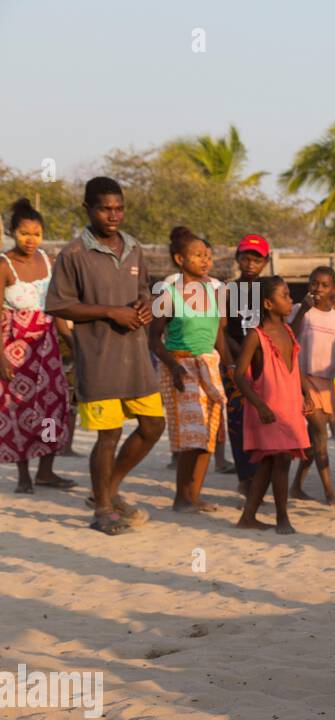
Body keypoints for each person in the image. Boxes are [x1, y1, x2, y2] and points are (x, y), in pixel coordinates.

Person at [44, 177, 162, 535]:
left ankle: (107, 490)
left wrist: (144, 306)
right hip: (98, 357)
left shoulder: (134, 247)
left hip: (135, 354)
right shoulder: (74, 254)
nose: (113, 215)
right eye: (104, 208)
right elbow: (59, 304)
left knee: (153, 425)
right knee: (108, 434)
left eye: (118, 207)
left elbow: (144, 291)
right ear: (88, 209)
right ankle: (104, 510)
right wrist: (111, 312)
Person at [150, 226, 232, 512]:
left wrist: (230, 365)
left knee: (208, 436)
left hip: (209, 366)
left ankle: (194, 495)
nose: (205, 260)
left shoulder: (216, 291)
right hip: (181, 367)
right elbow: (154, 340)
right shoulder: (167, 294)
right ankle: (180, 497)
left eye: (207, 255)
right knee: (190, 436)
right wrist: (173, 367)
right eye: (198, 255)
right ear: (180, 259)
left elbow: (219, 334)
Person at [1, 198, 74, 492]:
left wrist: (72, 341)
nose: (31, 239)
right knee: (18, 409)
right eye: (24, 233)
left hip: (47, 347)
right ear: (12, 232)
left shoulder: (48, 261)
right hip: (15, 350)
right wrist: (1, 358)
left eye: (37, 233)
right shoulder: (4, 265)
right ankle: (23, 475)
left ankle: (47, 471)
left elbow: (55, 309)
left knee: (53, 407)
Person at [233, 276, 309, 534]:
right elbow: (239, 375)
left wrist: (305, 393)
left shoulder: (287, 331)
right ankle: (282, 518)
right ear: (267, 303)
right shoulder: (256, 336)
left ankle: (248, 516)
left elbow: (294, 369)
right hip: (267, 409)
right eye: (285, 296)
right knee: (282, 460)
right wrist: (259, 405)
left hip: (289, 407)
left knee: (269, 463)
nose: (290, 300)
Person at [217, 234, 272, 491]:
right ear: (237, 259)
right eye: (246, 258)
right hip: (237, 365)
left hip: (266, 366)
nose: (250, 263)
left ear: (265, 262)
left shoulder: (270, 291)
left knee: (265, 418)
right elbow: (223, 331)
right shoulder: (229, 291)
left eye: (256, 259)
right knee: (238, 421)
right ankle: (245, 478)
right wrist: (231, 365)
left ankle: (263, 474)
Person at [290, 266, 335, 503]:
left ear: (333, 288)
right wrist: (303, 307)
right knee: (320, 436)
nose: (318, 289)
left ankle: (296, 486)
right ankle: (330, 493)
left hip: (326, 383)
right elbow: (290, 337)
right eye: (314, 283)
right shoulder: (299, 311)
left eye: (324, 285)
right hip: (302, 379)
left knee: (315, 440)